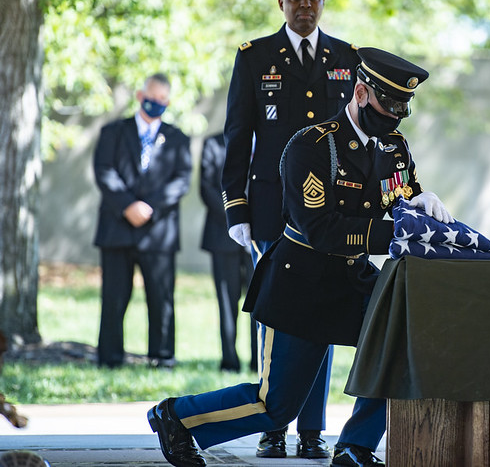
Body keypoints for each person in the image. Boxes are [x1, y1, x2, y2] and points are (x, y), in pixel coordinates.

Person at [148, 47, 453, 467]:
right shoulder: (311, 146)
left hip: (353, 278)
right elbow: (321, 229)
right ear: (361, 94)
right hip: (300, 283)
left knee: (400, 348)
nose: (396, 115)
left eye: (403, 107)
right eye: (389, 104)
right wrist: (399, 234)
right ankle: (176, 417)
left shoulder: (392, 145)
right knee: (275, 406)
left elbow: (401, 195)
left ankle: (355, 447)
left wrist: (421, 202)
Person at [220, 0, 360, 459]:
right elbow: (237, 137)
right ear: (281, 1)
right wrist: (236, 210)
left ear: (323, 1)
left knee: (320, 313)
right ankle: (272, 425)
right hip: (271, 209)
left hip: (327, 215)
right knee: (275, 318)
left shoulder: (347, 58)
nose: (305, 5)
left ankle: (311, 431)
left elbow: (359, 135)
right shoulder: (255, 56)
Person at [93, 73, 192, 369]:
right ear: (140, 95)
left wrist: (149, 207)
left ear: (168, 102)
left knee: (161, 299)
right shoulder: (113, 132)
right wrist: (128, 206)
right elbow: (104, 170)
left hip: (158, 231)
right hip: (116, 227)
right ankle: (110, 358)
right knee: (113, 297)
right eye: (152, 97)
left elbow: (181, 180)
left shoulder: (178, 138)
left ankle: (161, 358)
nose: (156, 103)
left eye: (163, 100)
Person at [199, 132, 258, 373]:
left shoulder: (273, 137)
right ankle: (229, 361)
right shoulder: (213, 143)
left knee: (259, 303)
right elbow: (207, 188)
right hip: (222, 234)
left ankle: (259, 362)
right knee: (226, 301)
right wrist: (238, 218)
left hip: (260, 235)